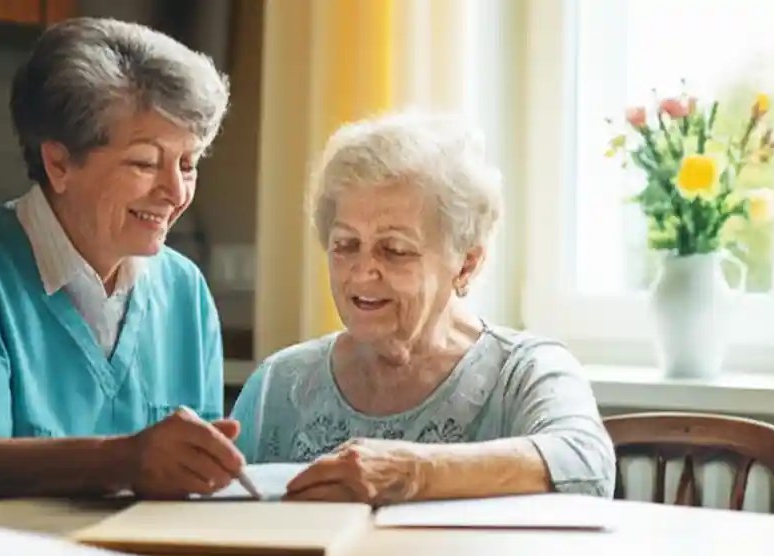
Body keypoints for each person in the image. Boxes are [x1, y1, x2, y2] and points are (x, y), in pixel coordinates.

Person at [0, 18, 244, 507]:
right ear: (59, 164)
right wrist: (124, 461)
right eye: (145, 162)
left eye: (188, 164)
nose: (175, 192)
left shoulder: (185, 290)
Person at [230, 111, 616, 505]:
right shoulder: (281, 383)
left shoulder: (525, 372)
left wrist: (414, 473)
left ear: (466, 263)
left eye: (395, 250)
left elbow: (586, 465)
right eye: (345, 245)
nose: (363, 273)